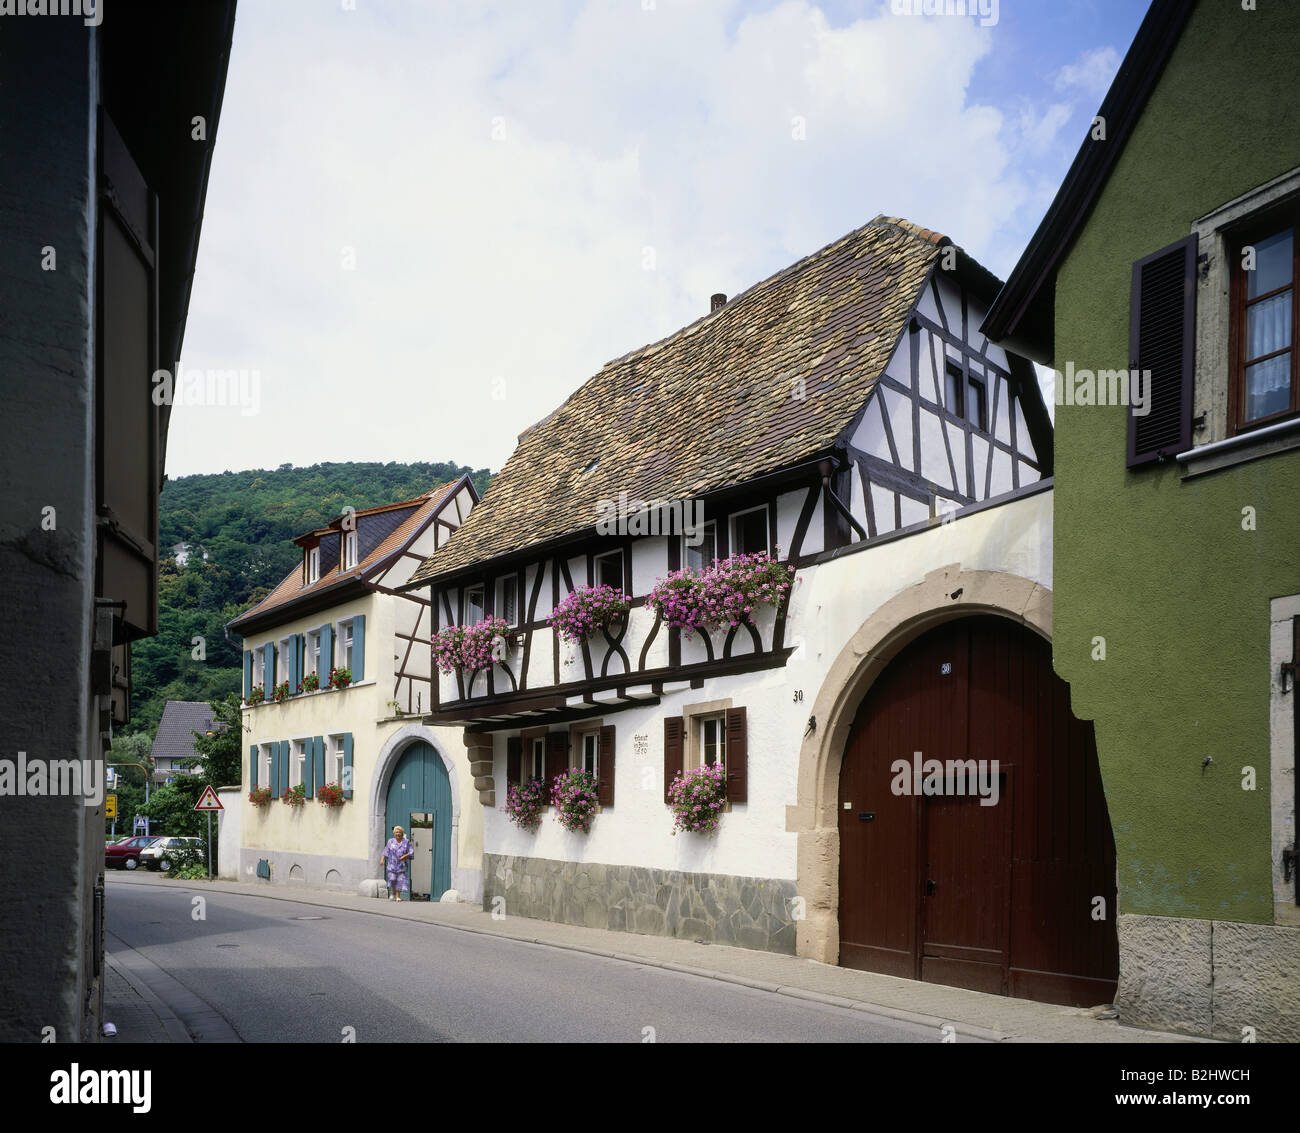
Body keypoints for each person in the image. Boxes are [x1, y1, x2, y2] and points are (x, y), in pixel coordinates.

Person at [380, 825, 413, 901]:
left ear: (402, 833)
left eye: (399, 832)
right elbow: (386, 851)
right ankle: (393, 892)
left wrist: (405, 856)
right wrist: (382, 860)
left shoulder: (406, 842)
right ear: (394, 833)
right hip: (392, 864)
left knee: (400, 880)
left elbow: (411, 851)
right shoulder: (390, 841)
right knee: (392, 879)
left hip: (401, 865)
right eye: (396, 832)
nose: (398, 833)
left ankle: (398, 896)